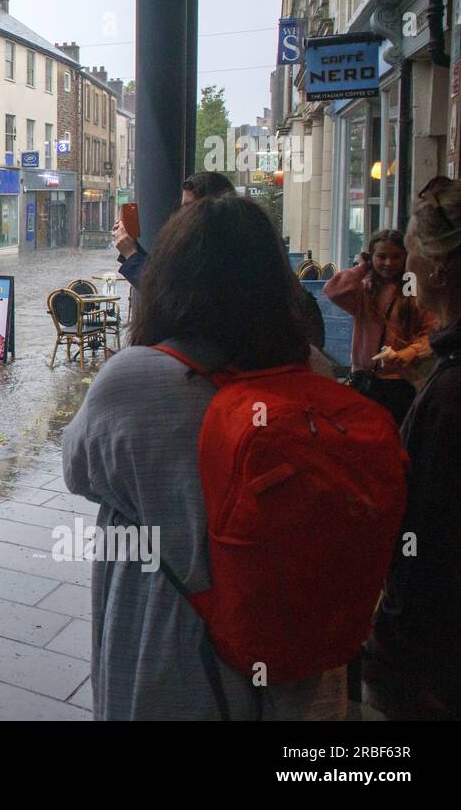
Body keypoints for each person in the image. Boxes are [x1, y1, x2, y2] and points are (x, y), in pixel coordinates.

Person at [63, 196, 352, 719]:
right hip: (285, 642)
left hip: (167, 641)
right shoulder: (313, 372)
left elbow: (78, 471)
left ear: (169, 277)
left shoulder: (134, 378)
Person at [363, 176, 461, 719]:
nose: (407, 266)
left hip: (435, 663)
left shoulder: (448, 394)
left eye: (414, 251)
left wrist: (390, 652)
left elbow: (425, 537)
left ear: (439, 267)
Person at [324, 228, 436, 424]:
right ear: (371, 258)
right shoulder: (365, 290)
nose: (388, 263)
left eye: (396, 256)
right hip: (364, 378)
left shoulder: (414, 293)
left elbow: (432, 332)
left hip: (401, 381)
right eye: (381, 256)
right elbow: (333, 290)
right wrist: (363, 267)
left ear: (406, 257)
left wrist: (411, 351)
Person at [112, 172, 236, 288]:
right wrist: (132, 249)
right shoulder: (228, 240)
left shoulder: (210, 249)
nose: (183, 213)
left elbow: (164, 291)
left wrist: (131, 254)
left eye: (190, 206)